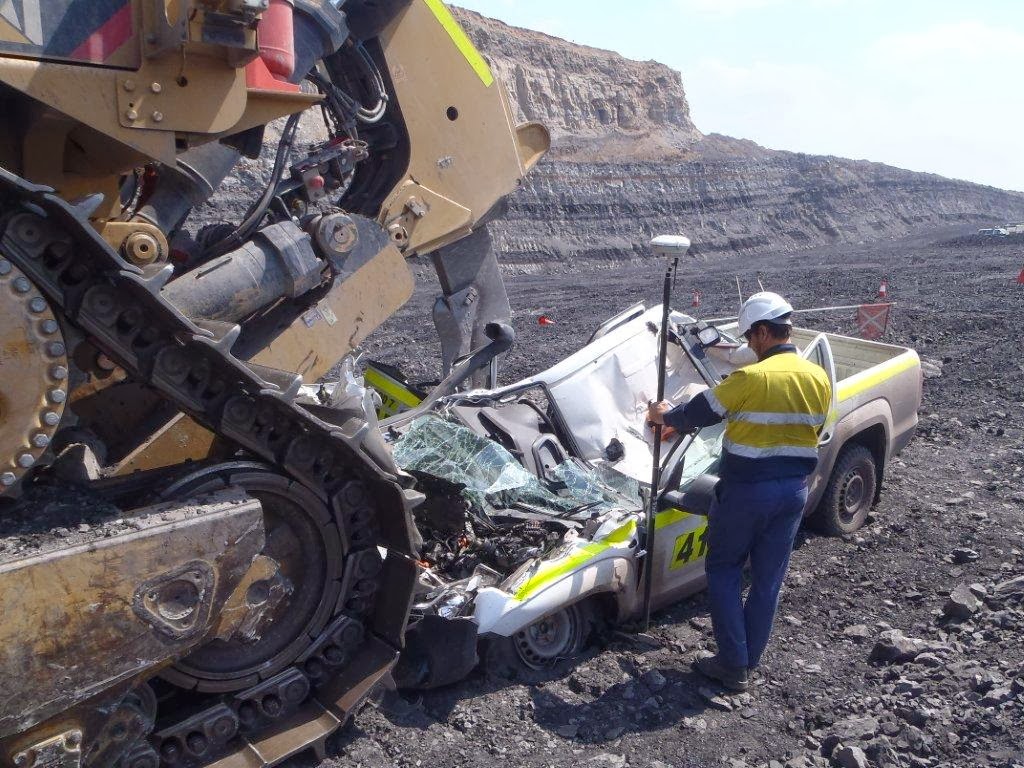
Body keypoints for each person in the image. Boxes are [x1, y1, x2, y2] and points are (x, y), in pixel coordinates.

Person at [647, 292, 831, 692]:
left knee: (725, 571)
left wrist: (662, 415)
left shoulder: (751, 379)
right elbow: (814, 430)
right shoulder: (818, 378)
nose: (749, 344)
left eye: (751, 336)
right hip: (794, 491)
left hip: (748, 492)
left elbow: (698, 413)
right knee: (767, 580)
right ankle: (749, 659)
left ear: (764, 332)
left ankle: (733, 665)